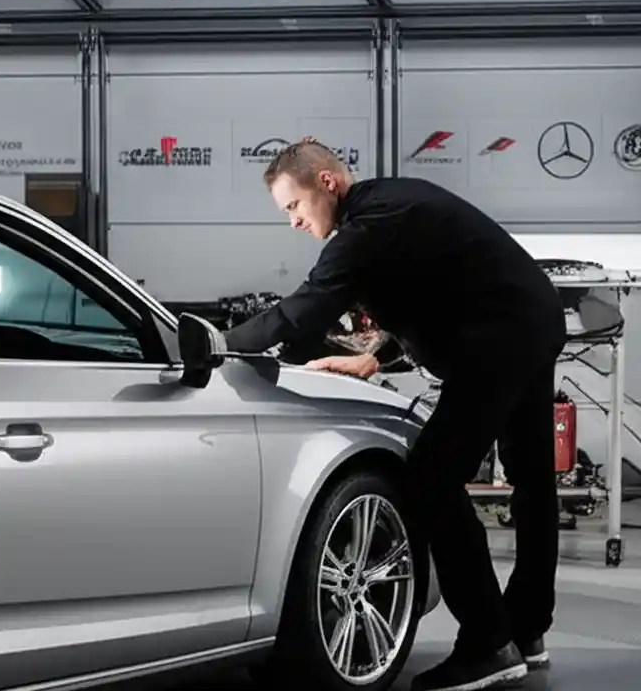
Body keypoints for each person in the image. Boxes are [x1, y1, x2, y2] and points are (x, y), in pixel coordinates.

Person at [223, 137, 567, 691]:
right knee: (532, 482)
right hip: (528, 321)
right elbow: (435, 289)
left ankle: (488, 643)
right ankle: (525, 631)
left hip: (502, 337)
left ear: (326, 184)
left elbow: (306, 307)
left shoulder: (367, 227)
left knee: (431, 478)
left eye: (293, 206)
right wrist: (372, 357)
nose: (291, 222)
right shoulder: (385, 211)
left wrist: (212, 342)